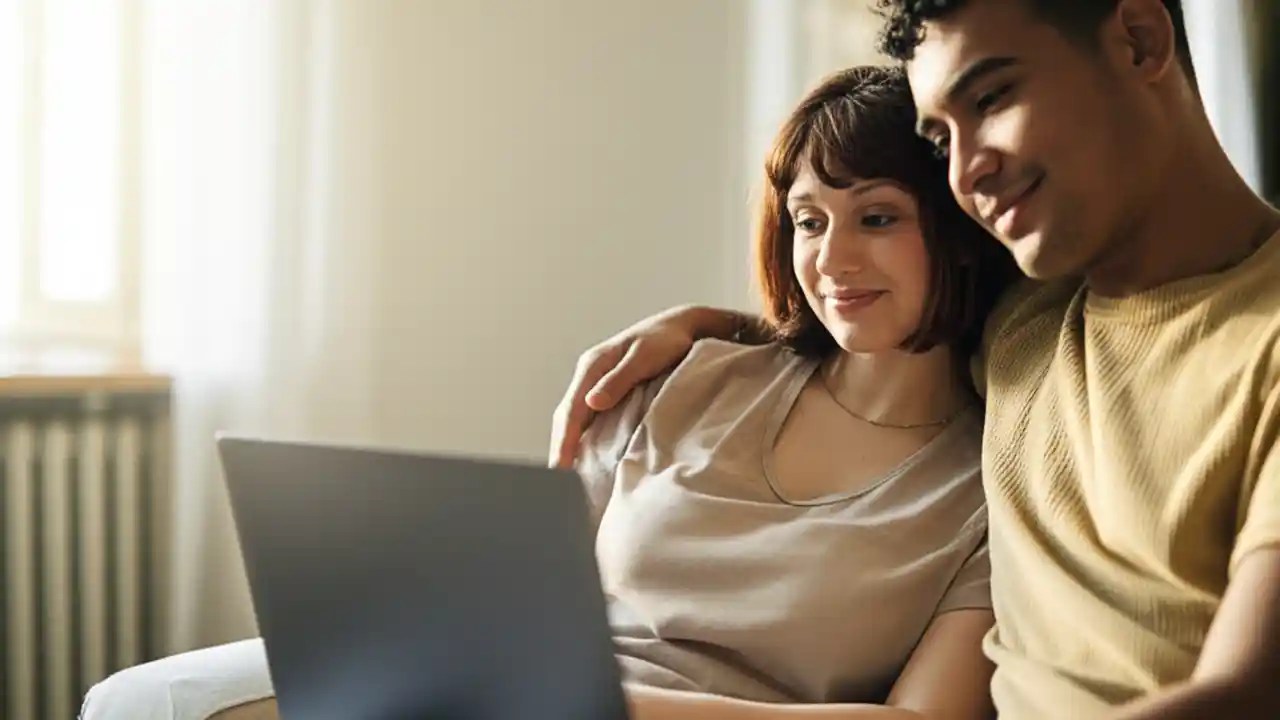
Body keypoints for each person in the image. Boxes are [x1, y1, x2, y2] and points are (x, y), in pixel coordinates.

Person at [83, 66, 1016, 720]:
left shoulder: (983, 487)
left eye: (878, 218)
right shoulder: (693, 376)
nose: (831, 259)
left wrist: (619, 709)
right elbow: (537, 598)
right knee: (146, 700)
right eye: (809, 221)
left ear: (960, 228)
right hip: (518, 695)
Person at [549, 1, 1280, 718]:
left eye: (993, 97)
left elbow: (1250, 693)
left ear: (1140, 40)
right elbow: (887, 315)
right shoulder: (1027, 319)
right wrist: (718, 332)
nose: (966, 175)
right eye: (940, 141)